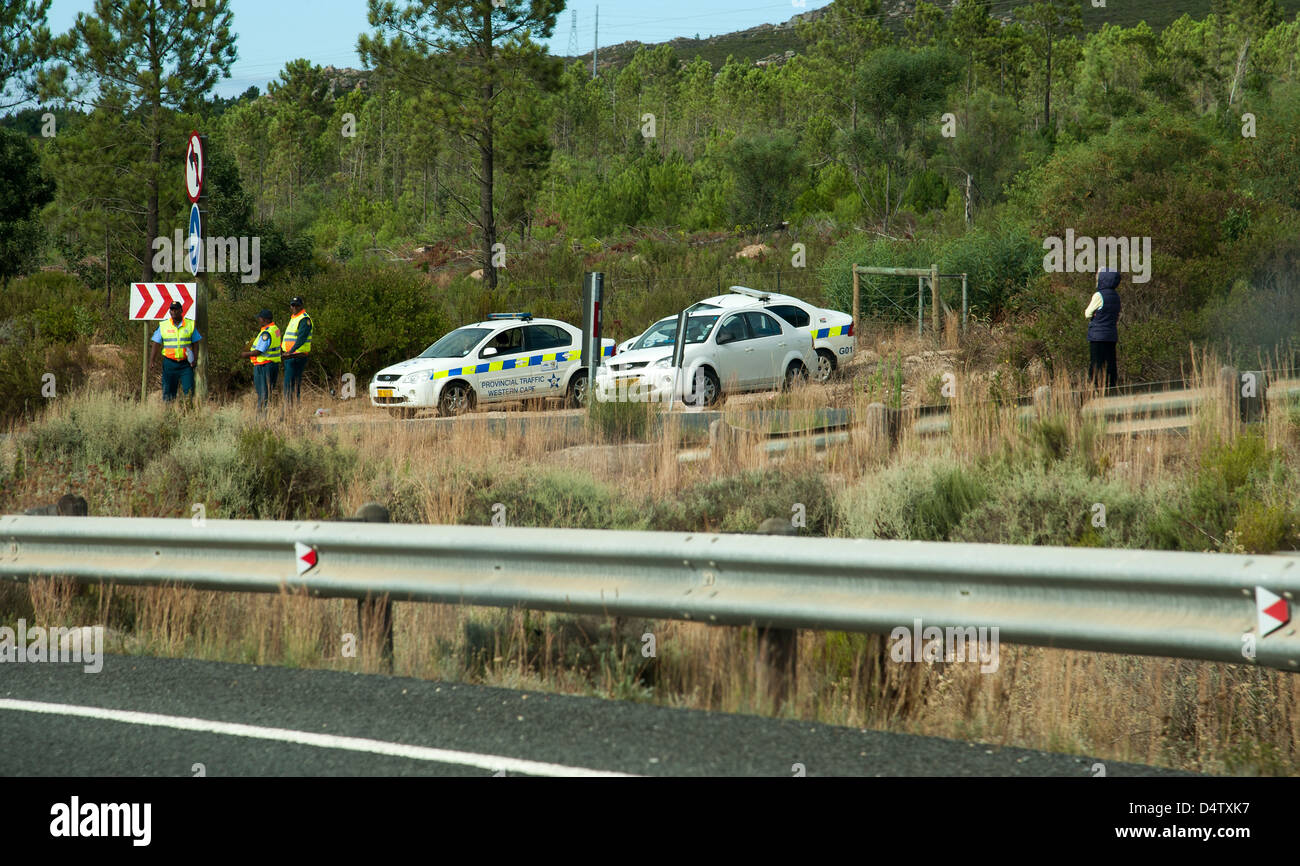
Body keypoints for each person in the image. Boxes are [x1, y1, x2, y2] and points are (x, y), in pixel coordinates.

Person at [149, 301, 202, 403]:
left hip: (186, 364)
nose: (173, 312)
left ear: (181, 311)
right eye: (171, 309)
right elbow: (156, 343)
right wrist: (152, 361)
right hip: (170, 364)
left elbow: (196, 343)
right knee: (168, 392)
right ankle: (169, 415)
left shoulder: (190, 324)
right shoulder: (164, 325)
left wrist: (195, 359)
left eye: (175, 309)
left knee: (189, 391)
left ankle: (187, 414)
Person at [1085, 267, 1121, 392]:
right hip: (1111, 335)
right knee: (1111, 363)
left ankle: (1094, 388)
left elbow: (1087, 313)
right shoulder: (1116, 296)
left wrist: (1095, 314)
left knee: (1096, 363)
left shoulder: (1098, 295)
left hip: (1097, 336)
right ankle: (1111, 388)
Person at [240, 309, 282, 413]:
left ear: (265, 319)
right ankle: (264, 415)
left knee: (263, 393)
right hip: (270, 364)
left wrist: (245, 354)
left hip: (264, 366)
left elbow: (259, 351)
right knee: (266, 392)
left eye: (260, 318)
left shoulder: (266, 333)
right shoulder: (274, 329)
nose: (259, 320)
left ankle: (262, 417)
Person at [281, 296, 313, 406]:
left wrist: (290, 352)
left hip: (297, 356)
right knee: (290, 384)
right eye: (292, 305)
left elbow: (301, 339)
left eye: (296, 305)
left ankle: (291, 410)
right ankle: (291, 409)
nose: (294, 307)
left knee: (290, 384)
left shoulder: (304, 319)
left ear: (301, 306)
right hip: (291, 356)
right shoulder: (294, 317)